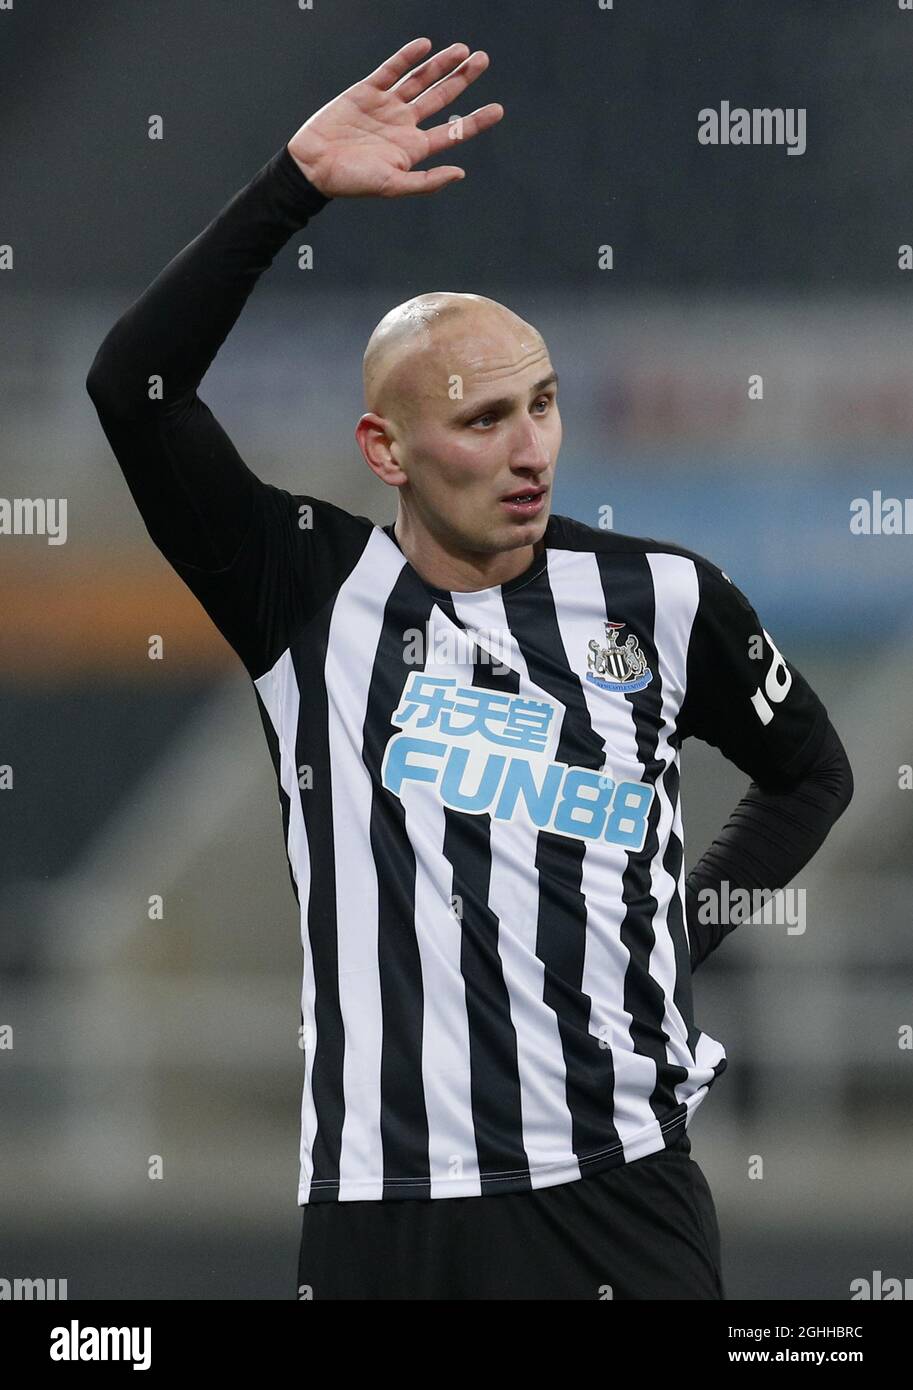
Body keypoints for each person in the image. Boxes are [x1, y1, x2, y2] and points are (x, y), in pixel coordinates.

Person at [85, 37, 853, 1300]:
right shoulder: (305, 593)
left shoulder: (659, 596)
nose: (528, 449)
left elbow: (808, 774)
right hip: (385, 1210)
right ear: (385, 447)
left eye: (542, 404)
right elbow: (135, 388)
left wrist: (677, 932)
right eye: (483, 420)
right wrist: (296, 183)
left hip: (620, 1188)